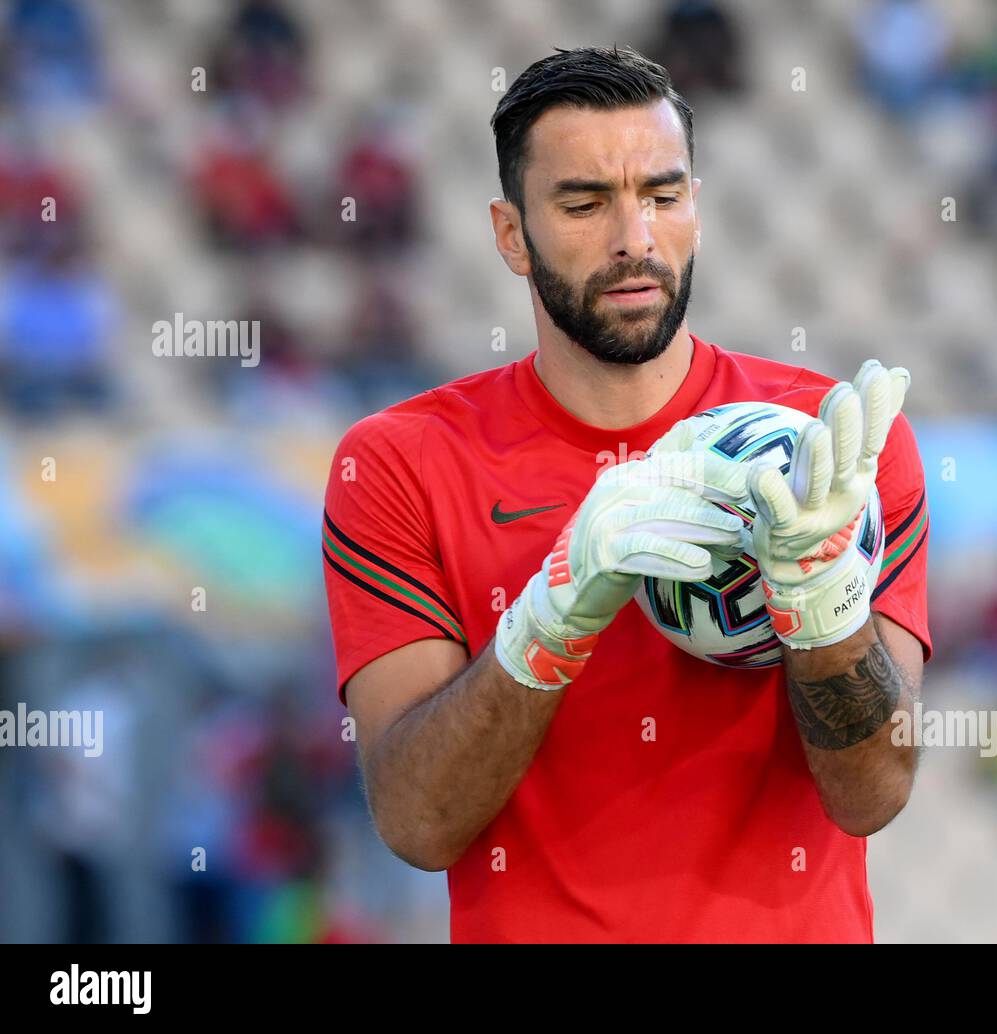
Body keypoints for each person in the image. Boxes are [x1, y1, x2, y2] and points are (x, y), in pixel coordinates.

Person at [321, 45, 931, 943]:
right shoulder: (399, 464)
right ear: (509, 233)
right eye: (584, 202)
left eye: (662, 194)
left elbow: (874, 794)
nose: (634, 240)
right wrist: (552, 617)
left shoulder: (832, 444)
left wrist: (819, 603)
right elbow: (418, 823)